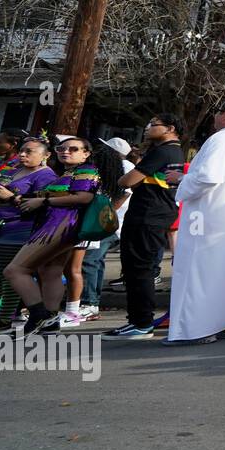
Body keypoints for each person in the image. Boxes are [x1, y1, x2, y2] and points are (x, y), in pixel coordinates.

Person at [163, 100, 225, 345]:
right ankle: (224, 322)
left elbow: (206, 177)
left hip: (208, 215)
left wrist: (181, 179)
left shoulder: (221, 139)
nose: (215, 117)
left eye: (218, 112)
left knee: (197, 269)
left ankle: (196, 329)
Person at [5, 137, 125, 335]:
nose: (65, 151)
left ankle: (39, 315)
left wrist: (43, 202)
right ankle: (50, 321)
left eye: (73, 149)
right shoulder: (69, 172)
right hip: (58, 224)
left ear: (86, 153)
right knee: (50, 271)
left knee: (14, 270)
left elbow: (84, 197)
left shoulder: (86, 170)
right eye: (62, 148)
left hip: (60, 224)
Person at [107, 114, 185, 339]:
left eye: (154, 124)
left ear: (170, 128)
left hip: (149, 215)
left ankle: (141, 323)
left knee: (139, 269)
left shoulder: (163, 151)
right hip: (151, 214)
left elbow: (127, 181)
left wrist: (129, 176)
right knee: (135, 269)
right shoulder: (170, 151)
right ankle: (137, 320)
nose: (148, 127)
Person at [0, 136, 58, 327]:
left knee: (8, 275)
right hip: (2, 226)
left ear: (45, 155)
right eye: (22, 150)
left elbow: (41, 205)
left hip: (20, 229)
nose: (23, 154)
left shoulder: (46, 176)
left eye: (29, 151)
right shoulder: (13, 169)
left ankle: (5, 318)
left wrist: (11, 197)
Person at [75, 137, 134, 324]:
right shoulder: (117, 165)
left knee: (90, 261)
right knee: (96, 261)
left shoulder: (123, 167)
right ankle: (92, 300)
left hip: (108, 223)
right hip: (108, 222)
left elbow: (125, 193)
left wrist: (105, 216)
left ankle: (89, 304)